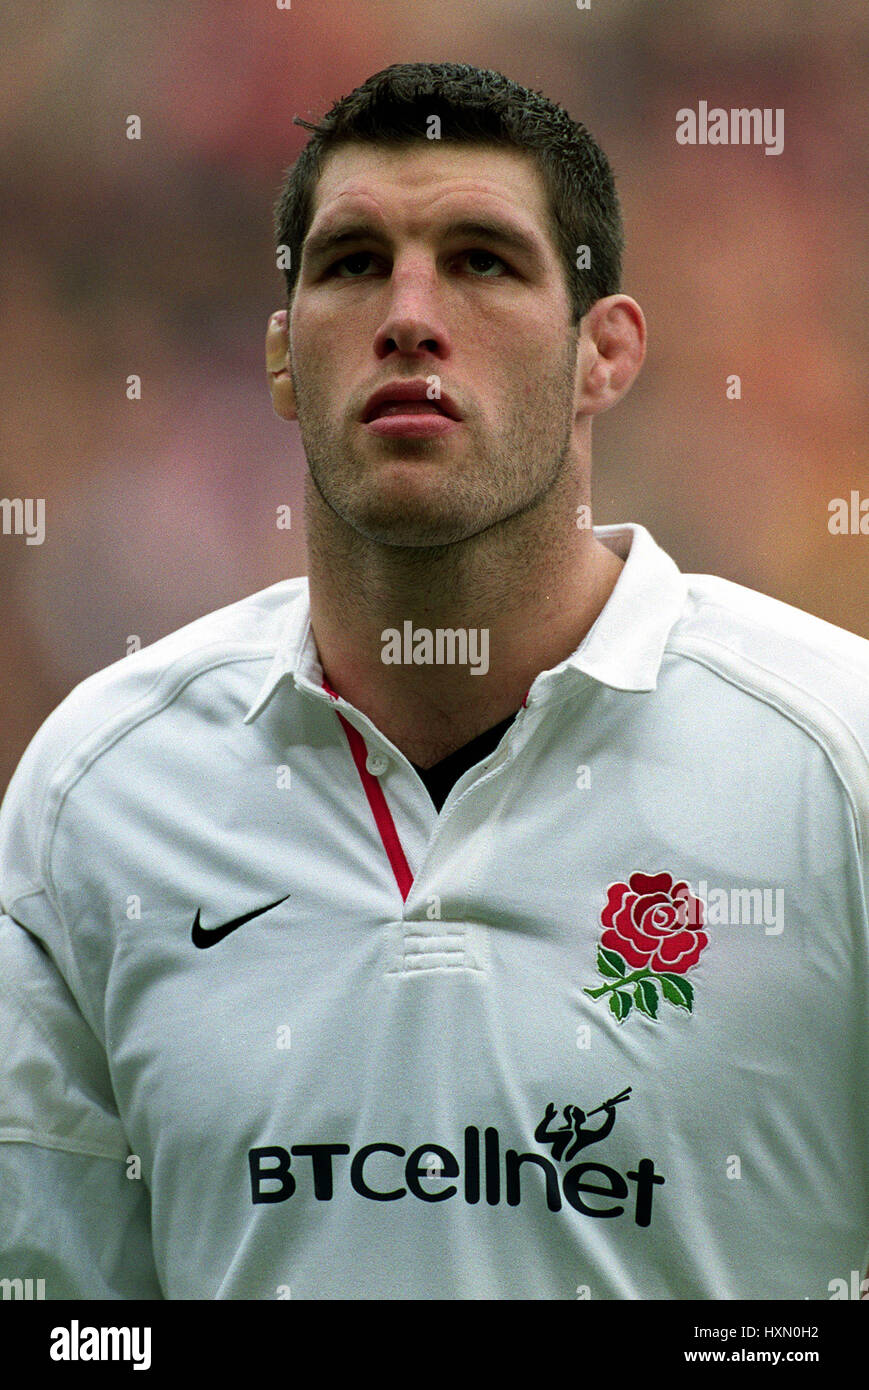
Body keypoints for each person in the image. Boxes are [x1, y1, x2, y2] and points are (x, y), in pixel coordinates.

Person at [1, 61, 867, 1302]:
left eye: (482, 261)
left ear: (602, 354)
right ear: (282, 358)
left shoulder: (834, 759)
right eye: (352, 263)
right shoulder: (102, 788)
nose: (409, 313)